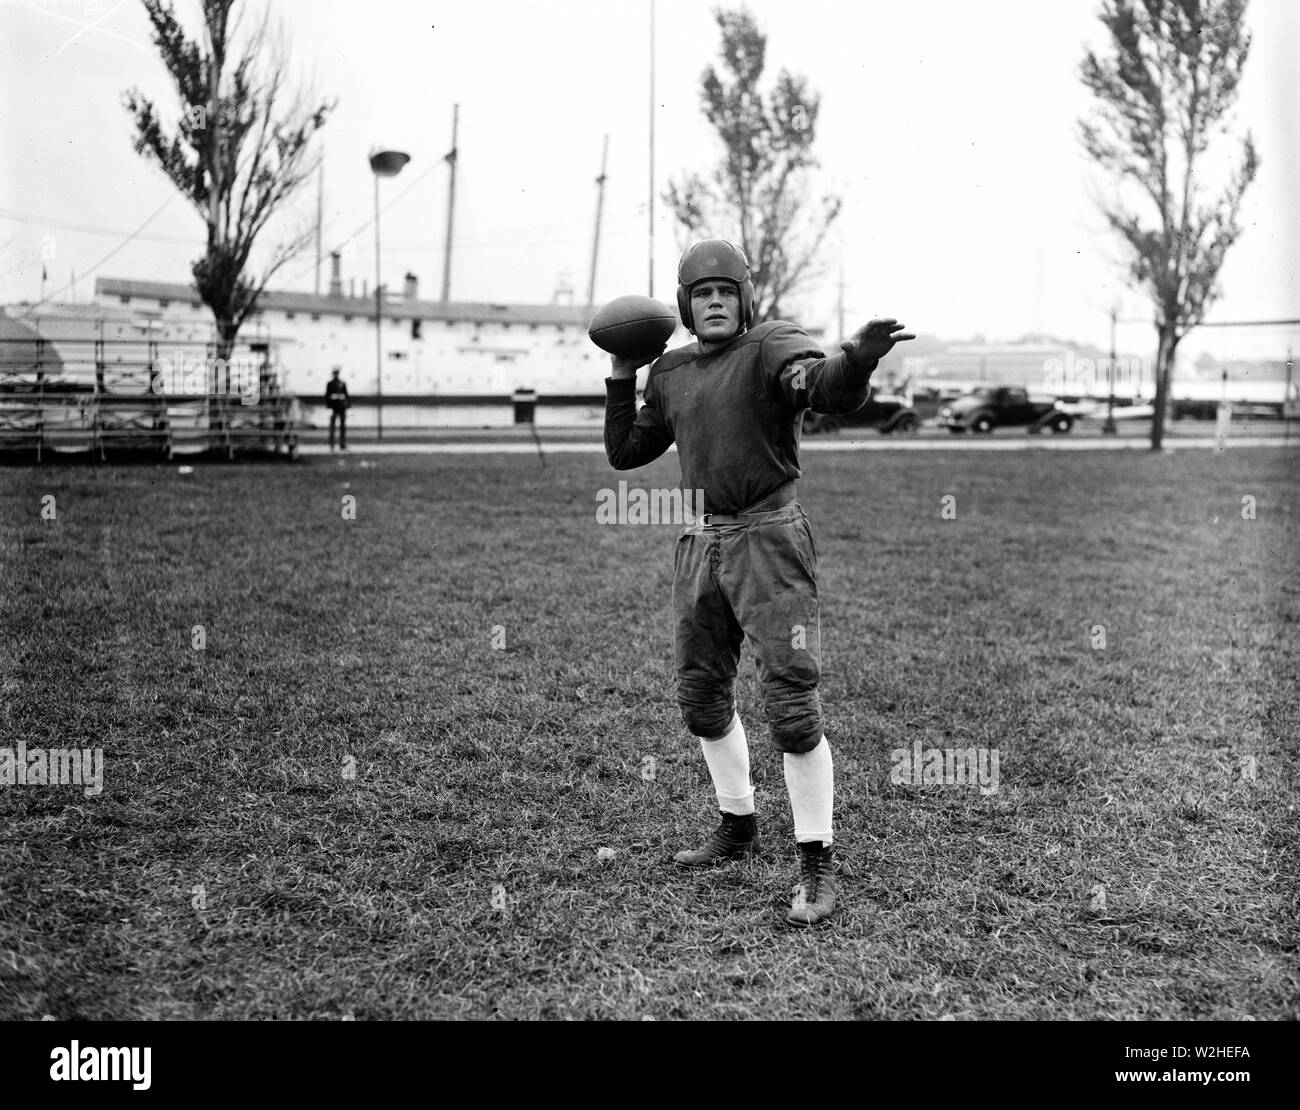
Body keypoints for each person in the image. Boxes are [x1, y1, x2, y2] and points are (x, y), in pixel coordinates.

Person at [604, 239, 913, 926]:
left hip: (770, 538)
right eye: (700, 293)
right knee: (700, 696)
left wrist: (856, 359)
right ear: (684, 305)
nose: (713, 302)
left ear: (745, 297)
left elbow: (822, 387)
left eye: (724, 291)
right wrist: (623, 372)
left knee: (792, 704)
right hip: (700, 538)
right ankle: (737, 825)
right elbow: (626, 451)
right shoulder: (674, 369)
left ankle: (816, 858)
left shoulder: (773, 345)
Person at [324, 368, 350, 452]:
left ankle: (342, 444)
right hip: (334, 407)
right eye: (335, 373)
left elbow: (346, 395)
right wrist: (329, 406)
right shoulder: (330, 384)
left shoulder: (342, 383)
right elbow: (327, 395)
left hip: (341, 407)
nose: (336, 375)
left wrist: (347, 405)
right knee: (332, 427)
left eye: (337, 373)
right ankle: (332, 445)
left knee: (342, 427)